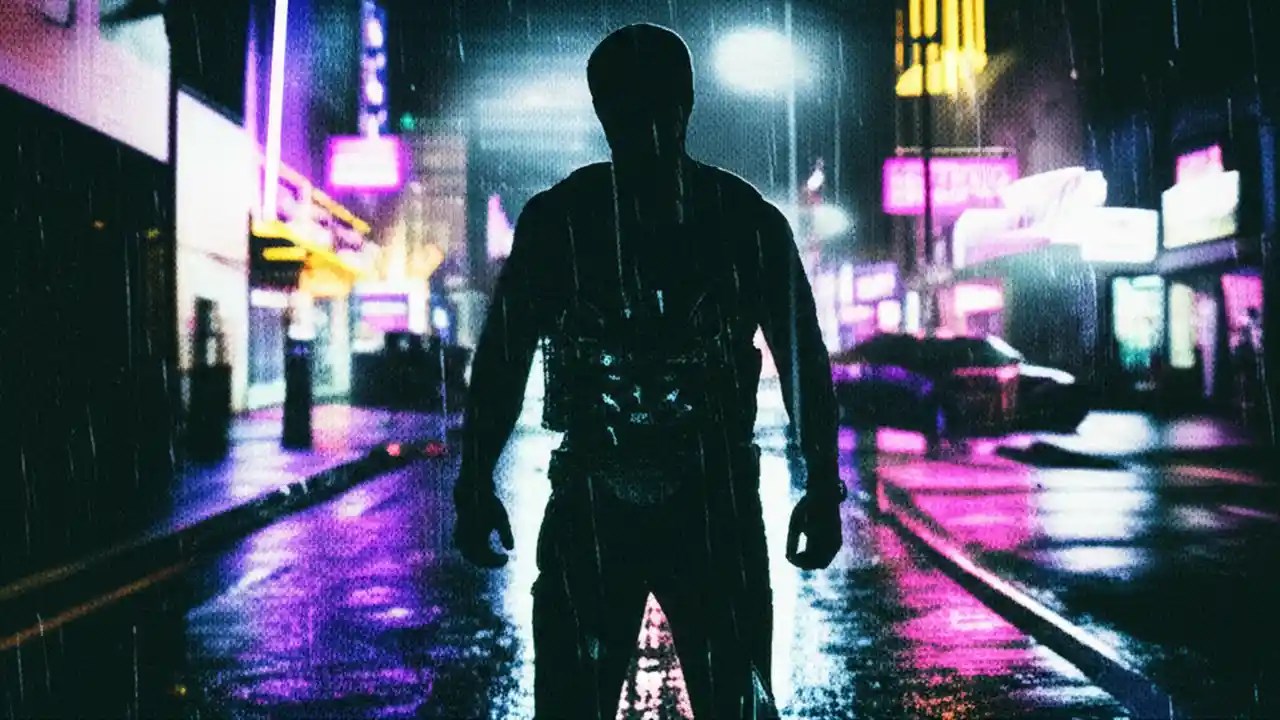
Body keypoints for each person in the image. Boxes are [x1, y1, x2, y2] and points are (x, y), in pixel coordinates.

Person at [452, 23, 845, 720]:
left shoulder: (572, 223)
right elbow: (503, 361)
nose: (649, 130)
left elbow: (803, 360)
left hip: (670, 501)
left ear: (686, 106)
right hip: (656, 501)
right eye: (633, 113)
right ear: (606, 114)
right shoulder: (732, 222)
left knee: (722, 702)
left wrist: (824, 485)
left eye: (657, 109)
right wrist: (473, 478)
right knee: (697, 701)